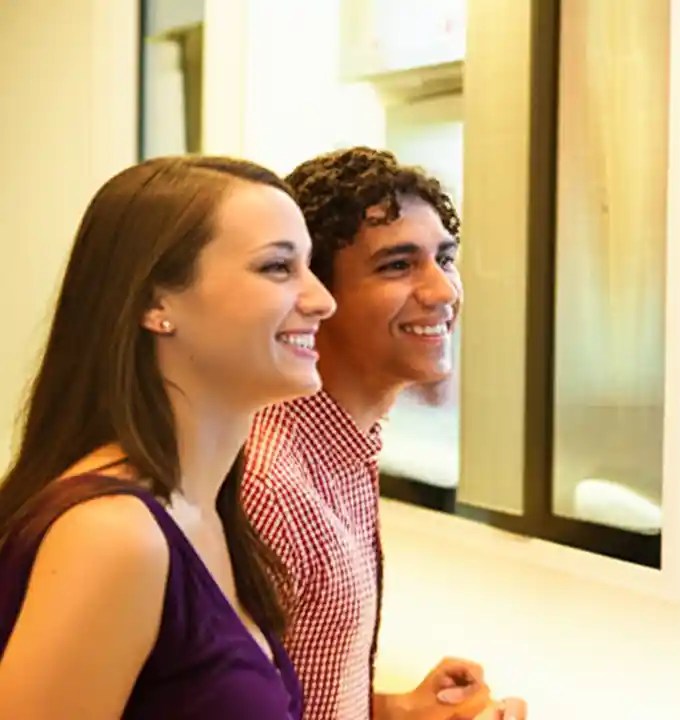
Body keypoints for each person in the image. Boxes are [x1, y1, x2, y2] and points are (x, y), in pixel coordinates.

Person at [0, 156, 337, 718]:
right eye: (278, 268)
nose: (322, 299)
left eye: (310, 266)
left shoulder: (205, 511)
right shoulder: (114, 535)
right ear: (156, 303)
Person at [241, 147, 525, 720]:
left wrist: (399, 712)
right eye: (398, 265)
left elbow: (297, 702)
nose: (442, 291)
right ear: (314, 299)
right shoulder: (266, 485)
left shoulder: (342, 451)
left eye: (444, 260)